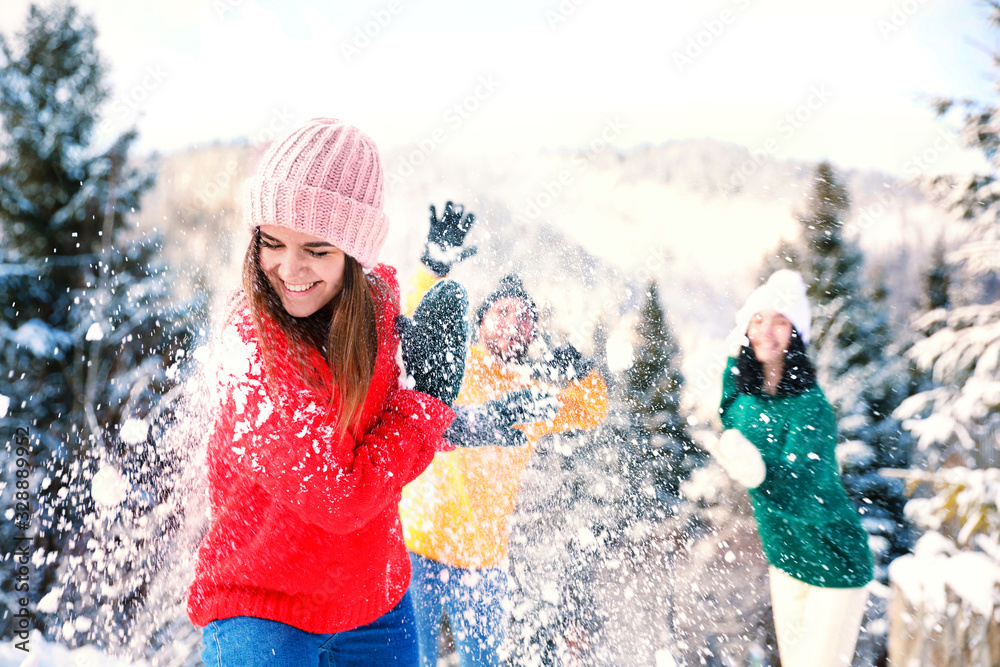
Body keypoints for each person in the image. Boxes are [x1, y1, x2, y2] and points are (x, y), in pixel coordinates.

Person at [187, 118, 471, 667]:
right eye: (272, 242)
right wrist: (428, 407)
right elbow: (337, 495)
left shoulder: (376, 313)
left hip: (375, 605)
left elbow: (388, 423)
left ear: (354, 253)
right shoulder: (251, 345)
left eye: (316, 249)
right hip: (263, 612)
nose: (288, 269)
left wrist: (466, 420)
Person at [398, 202, 610, 666]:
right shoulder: (455, 364)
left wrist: (579, 369)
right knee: (409, 660)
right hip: (418, 545)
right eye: (504, 311)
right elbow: (416, 321)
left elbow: (593, 408)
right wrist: (435, 264)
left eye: (524, 317)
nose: (514, 322)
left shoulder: (529, 396)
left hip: (481, 561)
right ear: (482, 319)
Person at [714, 269, 873, 667]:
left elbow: (805, 491)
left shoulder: (811, 407)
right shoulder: (747, 400)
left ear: (796, 334)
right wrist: (734, 352)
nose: (768, 331)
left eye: (781, 321)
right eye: (758, 320)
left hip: (834, 561)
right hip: (785, 559)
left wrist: (756, 475)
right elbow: (728, 405)